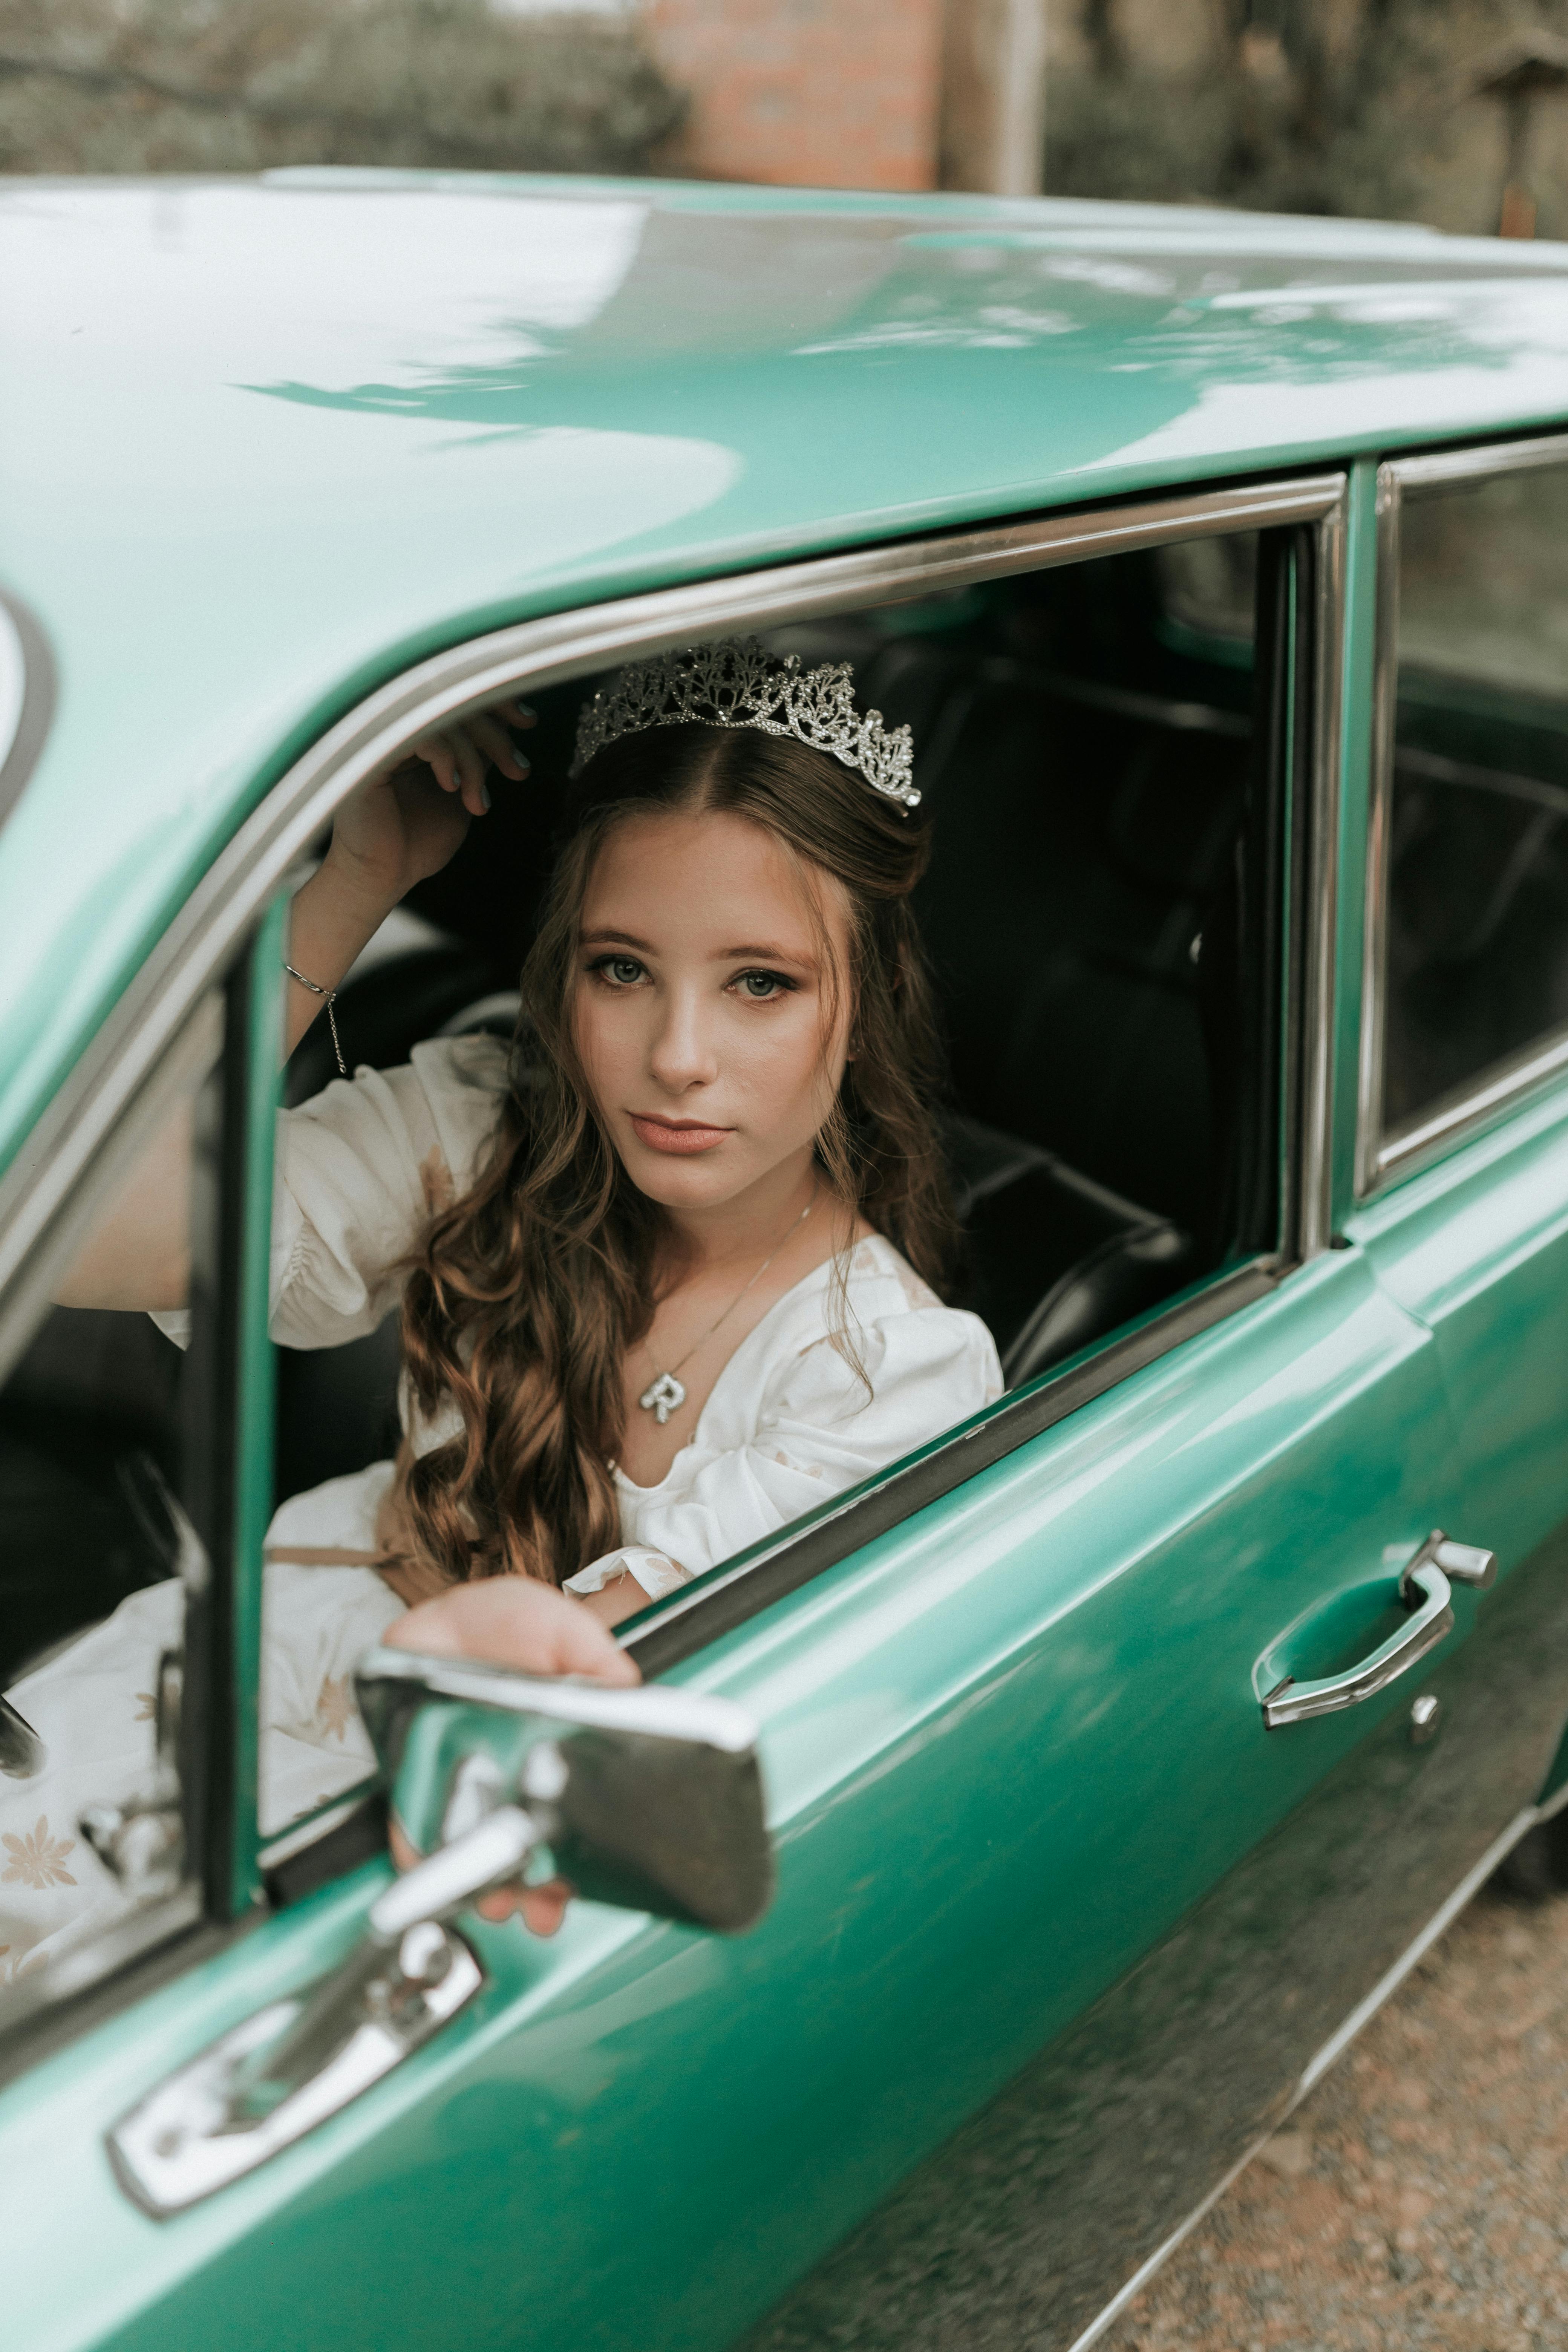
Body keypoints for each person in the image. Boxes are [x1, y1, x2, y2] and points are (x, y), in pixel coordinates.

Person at [2, 638, 1000, 1973]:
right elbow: (79, 1231)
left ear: (867, 999)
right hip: (246, 1653)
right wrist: (352, 884)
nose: (677, 1058)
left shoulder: (896, 1376)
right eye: (621, 969)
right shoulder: (488, 1125)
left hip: (460, 1799)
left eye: (760, 982)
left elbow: (584, 1686)